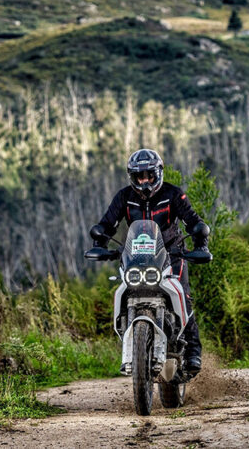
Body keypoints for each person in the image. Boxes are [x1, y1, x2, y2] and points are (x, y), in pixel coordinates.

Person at [90, 148, 210, 373]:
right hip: (136, 257)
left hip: (172, 255)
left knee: (184, 295)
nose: (144, 181)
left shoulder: (173, 194)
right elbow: (107, 223)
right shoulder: (124, 197)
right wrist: (100, 243)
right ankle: (131, 349)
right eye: (139, 176)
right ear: (132, 177)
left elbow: (193, 221)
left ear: (158, 173)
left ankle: (193, 351)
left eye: (149, 175)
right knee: (124, 292)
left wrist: (200, 244)